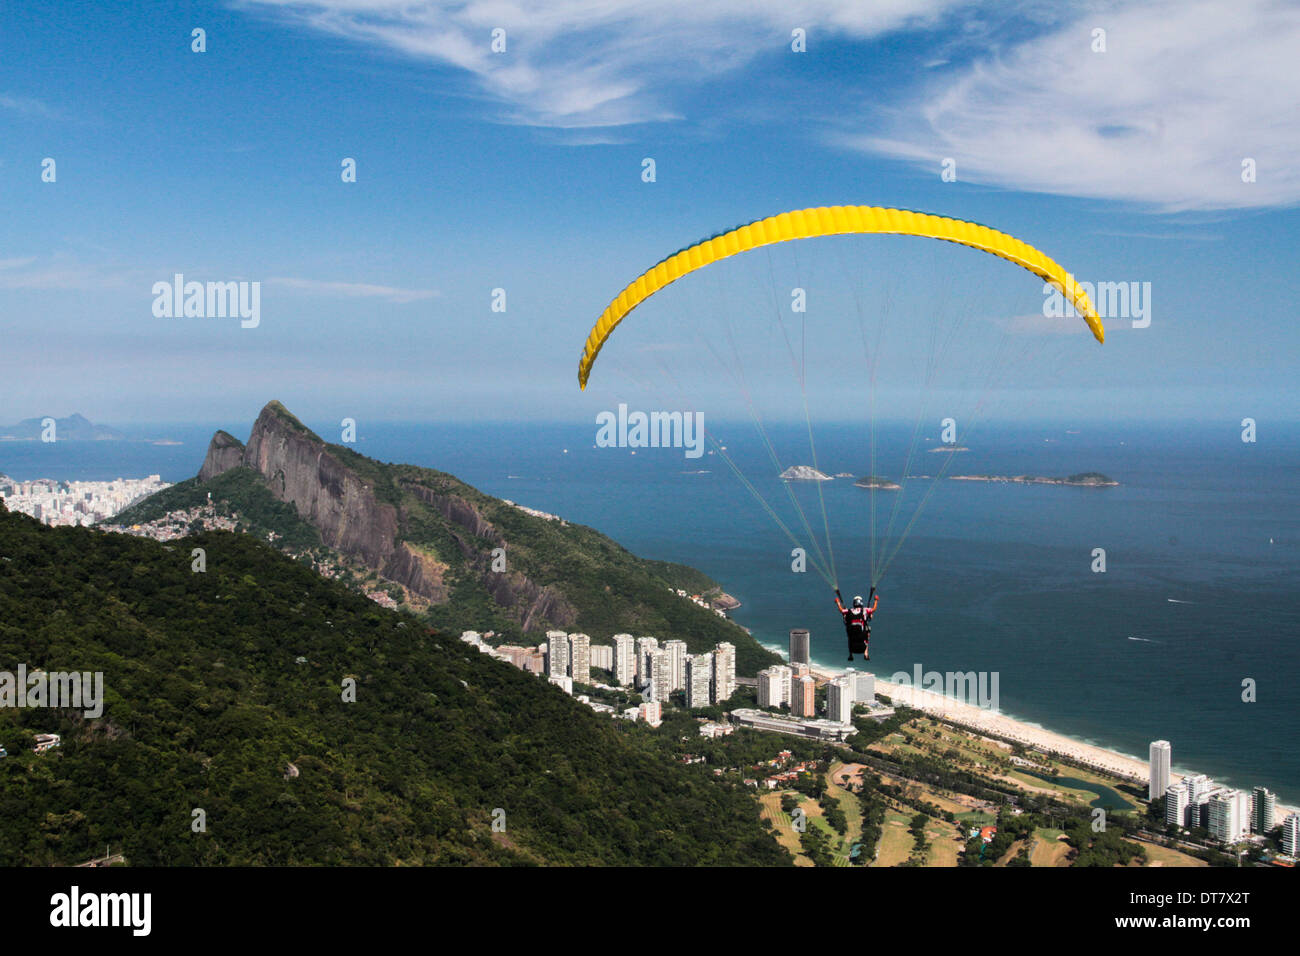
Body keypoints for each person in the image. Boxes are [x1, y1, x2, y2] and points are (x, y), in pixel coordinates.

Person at [835, 587, 878, 661]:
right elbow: (873, 609)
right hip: (862, 632)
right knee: (867, 635)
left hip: (852, 632)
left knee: (850, 638)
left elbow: (841, 610)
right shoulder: (864, 610)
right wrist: (876, 600)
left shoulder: (849, 610)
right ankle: (866, 653)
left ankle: (850, 655)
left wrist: (838, 602)